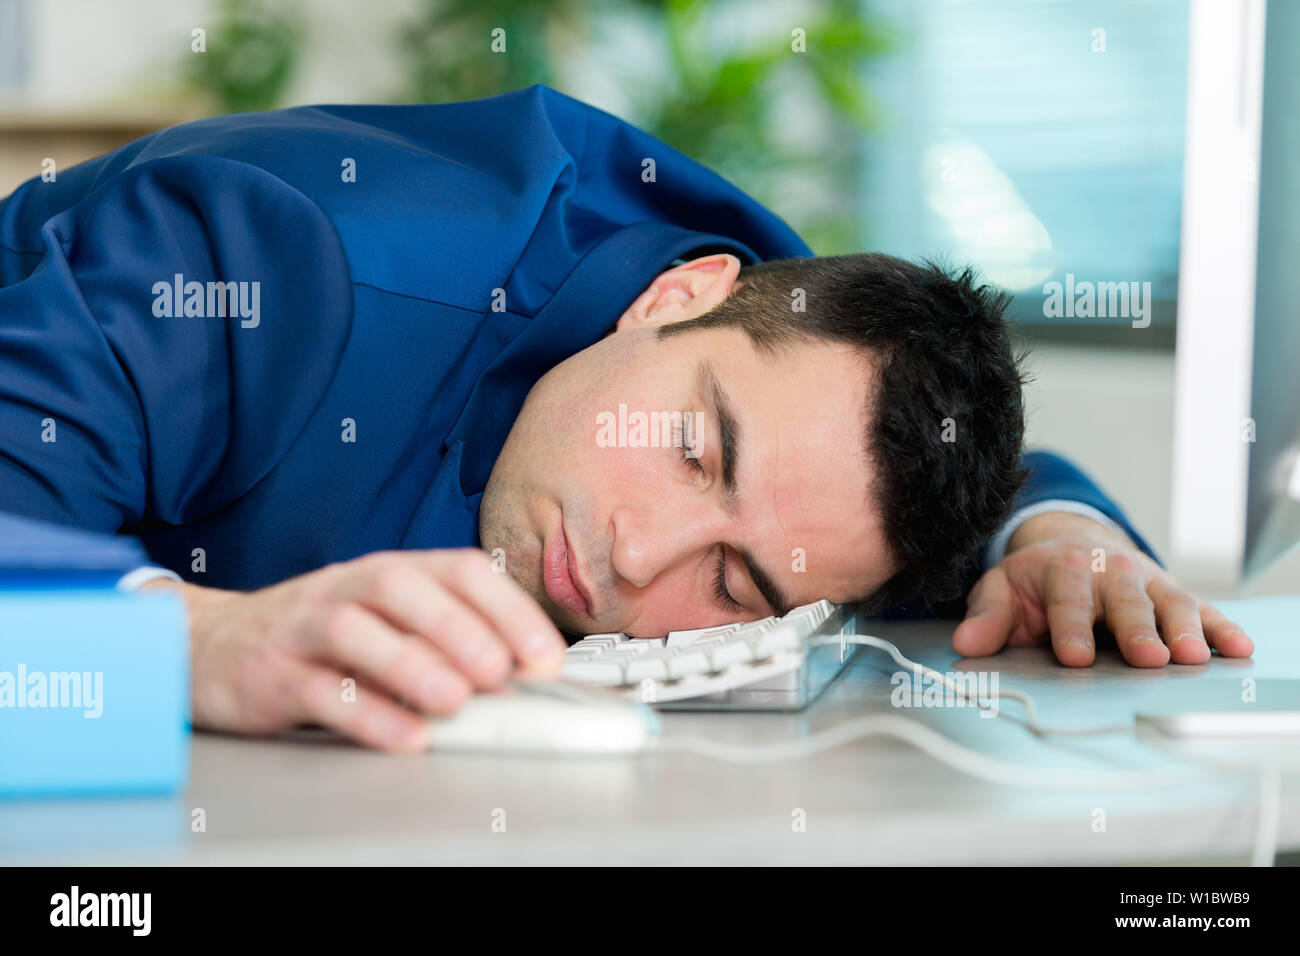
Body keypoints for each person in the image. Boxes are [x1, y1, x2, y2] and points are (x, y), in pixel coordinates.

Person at [0, 85, 1252, 752]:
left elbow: (935, 483)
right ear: (672, 295)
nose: (639, 562)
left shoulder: (786, 362)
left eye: (740, 585)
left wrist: (1053, 530)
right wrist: (197, 643)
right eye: (692, 451)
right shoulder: (280, 264)